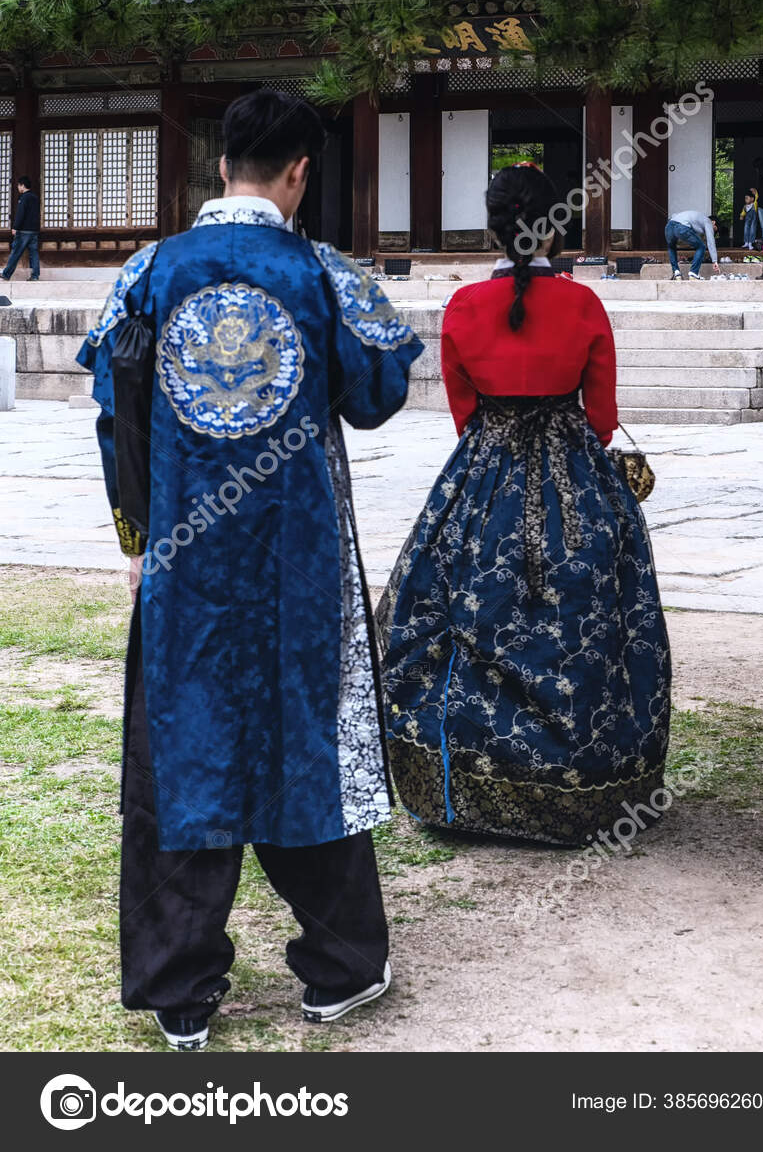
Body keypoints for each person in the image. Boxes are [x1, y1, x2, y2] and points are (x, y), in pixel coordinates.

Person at [76, 90, 422, 1051]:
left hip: (183, 565)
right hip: (295, 563)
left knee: (181, 745)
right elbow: (379, 391)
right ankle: (341, 965)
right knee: (299, 739)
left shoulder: (151, 271)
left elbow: (115, 405)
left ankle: (177, 987)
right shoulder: (322, 273)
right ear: (300, 172)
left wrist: (136, 532)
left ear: (220, 164)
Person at [378, 164, 671, 846]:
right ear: (556, 225)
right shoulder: (582, 305)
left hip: (484, 470)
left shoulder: (462, 308)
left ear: (492, 223)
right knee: (588, 624)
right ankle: (586, 791)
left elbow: (462, 410)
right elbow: (601, 416)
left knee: (458, 610)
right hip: (571, 470)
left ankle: (463, 788)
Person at [2, 175, 40, 282]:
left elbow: (20, 214)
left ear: (22, 185)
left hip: (24, 230)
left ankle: (6, 274)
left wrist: (15, 227)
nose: (18, 188)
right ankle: (35, 275)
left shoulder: (24, 198)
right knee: (34, 253)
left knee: (16, 252)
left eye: (19, 186)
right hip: (34, 230)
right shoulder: (35, 197)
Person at [664, 207, 719, 280]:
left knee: (671, 247)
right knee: (701, 247)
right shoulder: (708, 221)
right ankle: (693, 272)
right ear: (713, 222)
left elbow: (674, 217)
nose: (712, 231)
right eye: (714, 229)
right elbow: (710, 241)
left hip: (669, 226)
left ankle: (676, 272)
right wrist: (714, 260)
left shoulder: (698, 219)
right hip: (681, 227)